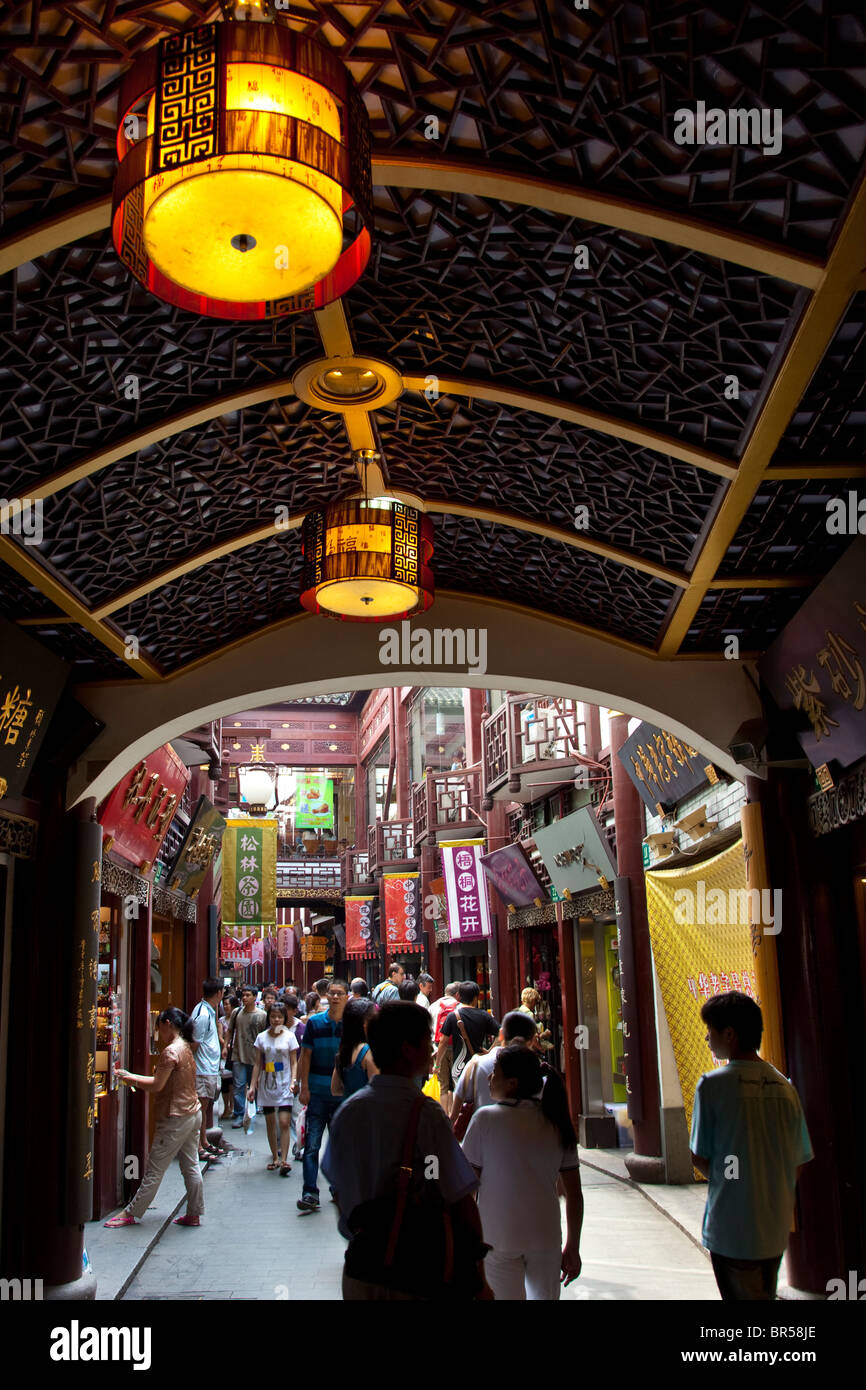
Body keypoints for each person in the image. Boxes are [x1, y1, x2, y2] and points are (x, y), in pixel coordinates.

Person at [321, 1002, 493, 1301]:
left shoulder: (349, 1112)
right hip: (417, 1267)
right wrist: (479, 1279)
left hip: (362, 1268)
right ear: (407, 1049)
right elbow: (456, 1195)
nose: (433, 1049)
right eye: (428, 1041)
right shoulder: (426, 1114)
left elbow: (338, 1187)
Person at [690, 991, 813, 1302]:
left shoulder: (712, 1085)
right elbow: (800, 1159)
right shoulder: (784, 1087)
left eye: (711, 1031)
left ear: (729, 1034)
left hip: (730, 1229)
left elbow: (700, 1156)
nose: (707, 1038)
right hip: (773, 1228)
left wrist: (732, 1182)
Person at [461, 1043, 583, 1300]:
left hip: (497, 1238)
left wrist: (467, 1243)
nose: (489, 1077)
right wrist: (573, 1245)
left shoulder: (485, 1120)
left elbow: (467, 1190)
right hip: (545, 1237)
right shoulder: (556, 1121)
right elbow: (574, 1194)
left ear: (513, 1083)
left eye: (495, 1072)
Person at [106, 1008, 204, 1228]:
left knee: (155, 1168)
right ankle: (194, 1212)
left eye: (159, 1025)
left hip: (175, 1116)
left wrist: (129, 1078)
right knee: (191, 1165)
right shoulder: (186, 1047)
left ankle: (132, 1212)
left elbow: (157, 1084)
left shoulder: (171, 1051)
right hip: (193, 1112)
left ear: (167, 1023)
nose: (158, 1030)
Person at [296, 978, 349, 1212]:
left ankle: (338, 1187)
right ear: (325, 996)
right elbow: (305, 1056)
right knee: (312, 1145)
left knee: (340, 1146)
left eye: (339, 993)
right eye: (332, 993)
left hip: (343, 1095)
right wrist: (303, 1086)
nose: (335, 997)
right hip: (317, 1093)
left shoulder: (354, 1026)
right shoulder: (314, 1023)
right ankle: (310, 1192)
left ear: (347, 997)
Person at [248, 1001, 299, 1175]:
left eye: (279, 1017)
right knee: (271, 1123)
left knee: (284, 1122)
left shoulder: (290, 1037)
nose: (276, 1020)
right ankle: (275, 1158)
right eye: (273, 1016)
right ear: (268, 1017)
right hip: (267, 1084)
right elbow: (257, 1063)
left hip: (284, 1083)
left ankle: (284, 1159)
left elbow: (294, 1062)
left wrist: (293, 1081)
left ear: (284, 1018)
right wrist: (252, 1086)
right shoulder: (261, 1037)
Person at [454, 1009, 538, 1114]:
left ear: (501, 1034)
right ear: (532, 1040)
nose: (490, 1077)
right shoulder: (537, 1071)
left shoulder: (477, 1064)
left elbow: (456, 1107)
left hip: (483, 1127)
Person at [438, 981, 500, 1107]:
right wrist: (489, 1051)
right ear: (476, 997)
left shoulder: (452, 1016)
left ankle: (460, 1123)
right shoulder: (484, 1016)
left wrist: (437, 1063)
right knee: (479, 1097)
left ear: (459, 997)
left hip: (458, 1067)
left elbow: (443, 1042)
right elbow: (501, 1034)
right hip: (479, 1065)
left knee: (460, 1101)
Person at [189, 978, 224, 1159]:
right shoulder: (203, 1014)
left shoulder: (207, 1011)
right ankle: (198, 1146)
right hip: (202, 1068)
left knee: (202, 1107)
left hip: (207, 1067)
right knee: (199, 1107)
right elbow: (195, 1043)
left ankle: (203, 1142)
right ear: (219, 993)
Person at [228, 986, 266, 1130]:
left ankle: (251, 1111)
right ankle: (239, 1113)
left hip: (255, 1056)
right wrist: (226, 1046)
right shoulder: (236, 1013)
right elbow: (231, 1030)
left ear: (255, 997)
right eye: (243, 995)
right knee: (238, 1085)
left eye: (248, 995)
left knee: (253, 1085)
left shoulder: (262, 1015)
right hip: (238, 1054)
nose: (244, 998)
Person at [332, 997, 379, 1098]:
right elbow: (377, 1094)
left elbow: (335, 1090)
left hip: (348, 1109)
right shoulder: (368, 1053)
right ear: (365, 1023)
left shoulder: (344, 1050)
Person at [430, 982, 460, 1112]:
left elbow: (429, 1029)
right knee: (456, 1084)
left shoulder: (433, 1006)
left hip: (438, 1049)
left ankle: (444, 1115)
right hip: (456, 1049)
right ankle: (455, 1116)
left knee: (443, 1086)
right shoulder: (459, 1007)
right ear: (457, 994)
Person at [218, 991, 239, 1121]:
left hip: (236, 1052)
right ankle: (227, 1107)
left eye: (228, 1004)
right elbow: (220, 1036)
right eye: (224, 1004)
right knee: (225, 1081)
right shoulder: (221, 1020)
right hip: (226, 1052)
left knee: (234, 1082)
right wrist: (226, 1045)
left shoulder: (238, 1019)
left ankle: (233, 1107)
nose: (226, 1007)